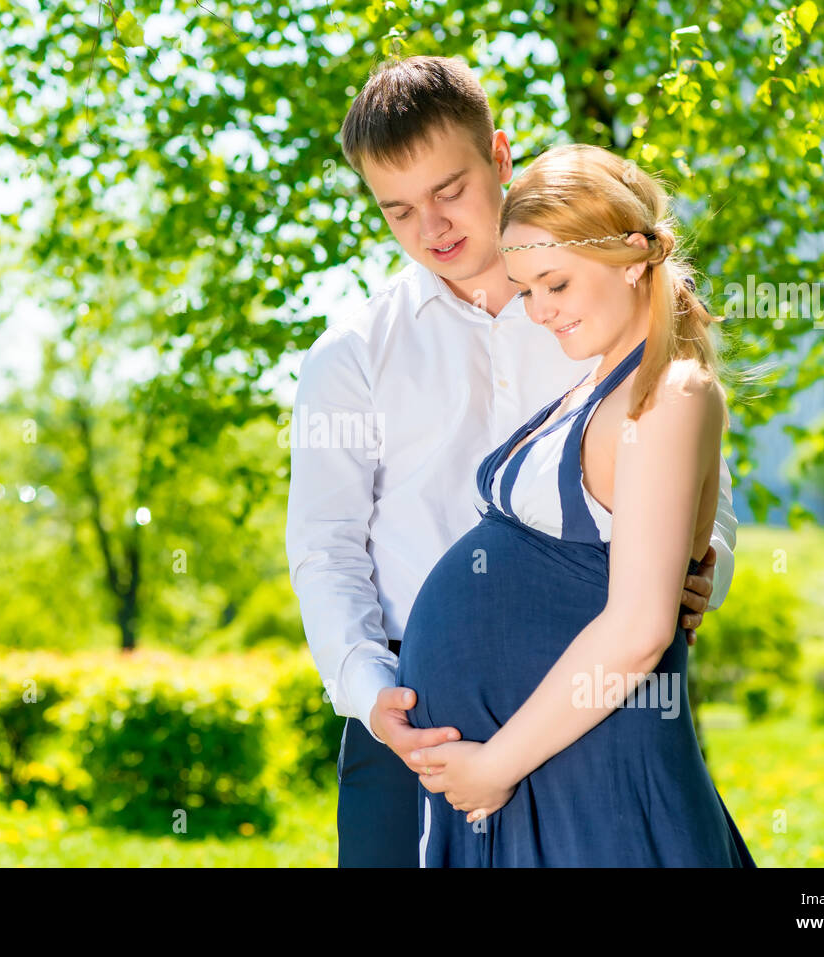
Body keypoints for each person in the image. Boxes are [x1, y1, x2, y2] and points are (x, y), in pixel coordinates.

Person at [284, 56, 739, 868]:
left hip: (590, 720)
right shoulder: (350, 355)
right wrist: (369, 692)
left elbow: (701, 485)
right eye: (398, 210)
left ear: (499, 157)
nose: (432, 227)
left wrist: (702, 570)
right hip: (414, 738)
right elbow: (325, 550)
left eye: (449, 190)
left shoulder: (587, 305)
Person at [395, 142, 755, 867]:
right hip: (539, 763)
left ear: (631, 258)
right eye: (526, 290)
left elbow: (638, 628)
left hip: (587, 772)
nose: (539, 311)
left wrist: (494, 766)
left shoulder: (673, 391)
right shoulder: (588, 388)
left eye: (554, 282)